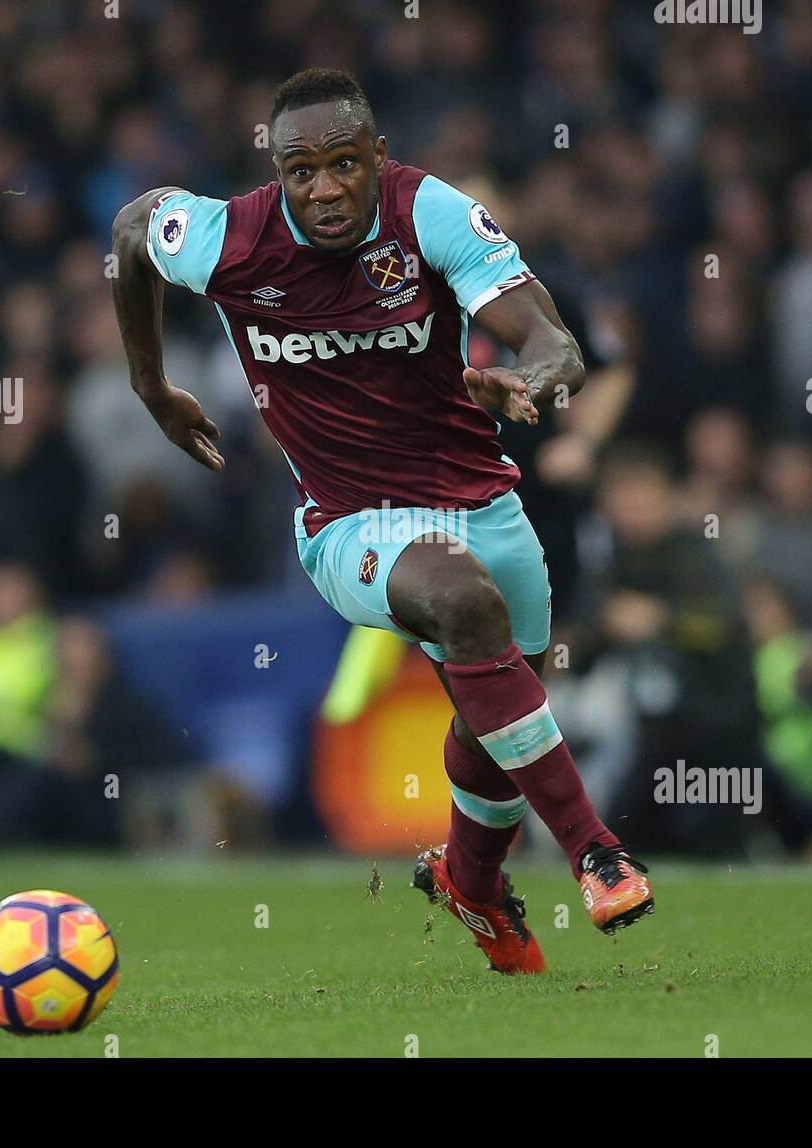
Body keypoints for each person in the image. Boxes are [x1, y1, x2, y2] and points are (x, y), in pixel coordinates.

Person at [110, 68, 652, 974]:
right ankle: (595, 850)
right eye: (301, 170)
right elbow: (131, 233)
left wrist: (537, 378)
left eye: (343, 164)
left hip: (482, 498)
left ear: (379, 158)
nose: (323, 189)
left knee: (498, 712)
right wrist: (150, 384)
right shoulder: (228, 238)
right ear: (277, 170)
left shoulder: (430, 214)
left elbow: (554, 340)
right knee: (463, 602)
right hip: (347, 524)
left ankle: (473, 884)